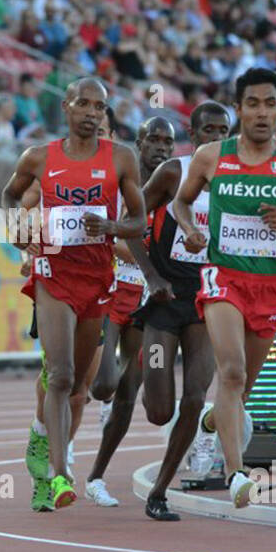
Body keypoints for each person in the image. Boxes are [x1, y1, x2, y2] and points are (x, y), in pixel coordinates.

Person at [172, 67, 276, 510]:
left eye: (270, 103)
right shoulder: (211, 157)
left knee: (242, 390)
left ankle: (214, 417)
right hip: (223, 276)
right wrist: (189, 230)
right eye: (253, 104)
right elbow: (180, 203)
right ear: (239, 108)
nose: (262, 113)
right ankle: (235, 472)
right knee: (232, 372)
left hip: (271, 284)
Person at [2, 78, 147, 512]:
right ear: (66, 107)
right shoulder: (39, 158)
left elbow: (138, 222)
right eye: (82, 103)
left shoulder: (121, 159)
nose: (90, 112)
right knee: (61, 376)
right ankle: (59, 475)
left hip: (98, 280)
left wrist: (111, 228)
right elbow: (10, 197)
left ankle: (41, 435)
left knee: (81, 387)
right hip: (52, 274)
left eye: (98, 106)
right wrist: (18, 229)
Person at [133, 100, 235, 520]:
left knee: (195, 397)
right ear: (193, 137)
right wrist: (151, 277)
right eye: (208, 131)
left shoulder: (239, 182)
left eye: (223, 131)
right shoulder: (173, 174)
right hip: (164, 303)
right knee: (160, 411)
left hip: (207, 301)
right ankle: (154, 388)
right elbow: (128, 222)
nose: (216, 138)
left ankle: (159, 492)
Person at [82, 114, 176, 507]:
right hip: (111, 291)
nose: (160, 148)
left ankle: (96, 477)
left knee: (128, 392)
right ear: (137, 143)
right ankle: (95, 386)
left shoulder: (175, 186)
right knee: (104, 385)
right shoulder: (119, 180)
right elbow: (108, 233)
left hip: (145, 299)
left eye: (167, 143)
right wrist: (126, 240)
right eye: (152, 140)